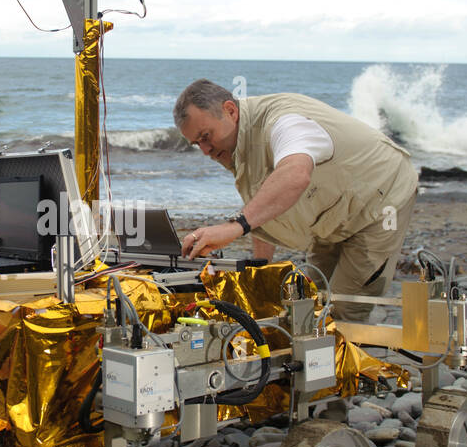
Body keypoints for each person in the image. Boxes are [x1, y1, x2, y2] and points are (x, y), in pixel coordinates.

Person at [173, 79, 417, 324]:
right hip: (334, 212)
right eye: (197, 144)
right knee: (309, 304)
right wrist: (260, 272)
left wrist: (233, 227)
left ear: (230, 111)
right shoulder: (233, 142)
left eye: (206, 136)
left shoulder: (285, 123)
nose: (205, 150)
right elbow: (262, 205)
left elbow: (295, 174)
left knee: (346, 309)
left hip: (381, 200)